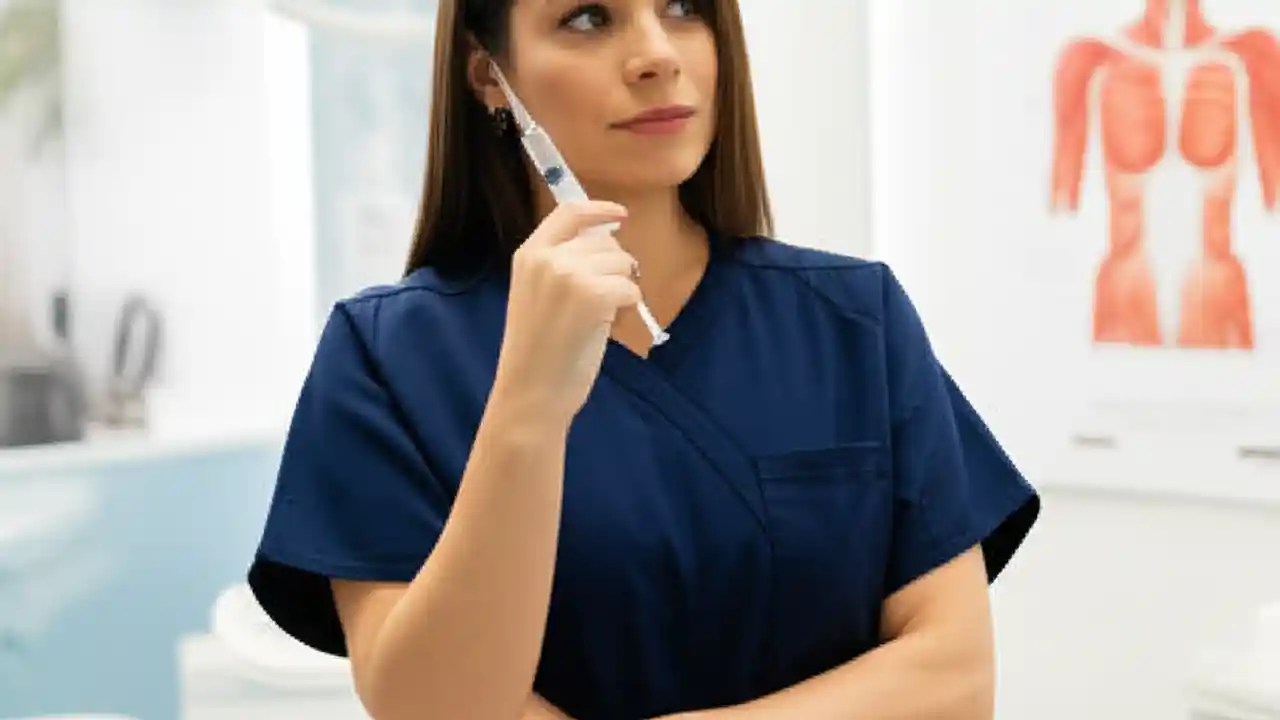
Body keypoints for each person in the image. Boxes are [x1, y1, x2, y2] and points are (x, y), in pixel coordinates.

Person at [247, 0, 1041, 718]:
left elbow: (955, 679)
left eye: (684, 8)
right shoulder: (385, 357)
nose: (657, 54)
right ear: (492, 76)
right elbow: (435, 708)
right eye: (590, 19)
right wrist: (528, 405)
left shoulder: (852, 320)